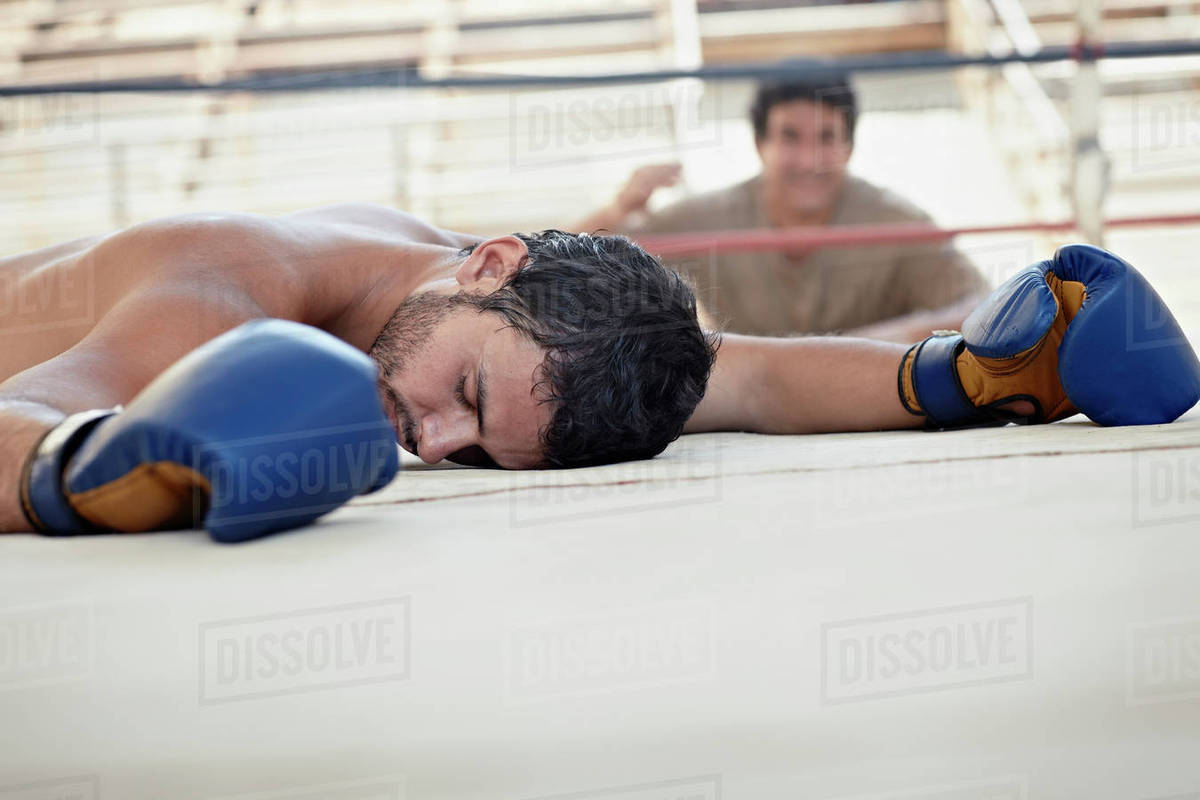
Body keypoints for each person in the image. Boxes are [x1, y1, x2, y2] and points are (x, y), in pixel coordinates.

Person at [2, 204, 1197, 541]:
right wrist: (101, 464)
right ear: (491, 264)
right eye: (464, 403)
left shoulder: (496, 305)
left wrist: (969, 380)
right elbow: (22, 416)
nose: (434, 443)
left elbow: (748, 379)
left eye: (478, 446)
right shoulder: (218, 294)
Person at [573, 72, 990, 342]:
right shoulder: (708, 219)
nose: (810, 159)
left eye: (826, 138)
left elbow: (981, 307)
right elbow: (561, 271)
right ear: (759, 144)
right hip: (748, 425)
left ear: (849, 147)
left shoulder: (897, 222)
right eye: (791, 137)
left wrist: (850, 351)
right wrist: (615, 210)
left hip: (871, 406)